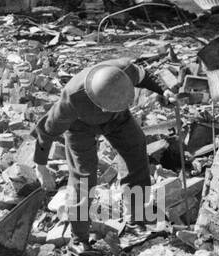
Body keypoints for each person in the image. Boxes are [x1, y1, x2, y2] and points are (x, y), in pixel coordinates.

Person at [32, 59, 173, 242]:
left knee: (136, 151)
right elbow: (45, 130)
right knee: (84, 177)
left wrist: (165, 90)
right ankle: (79, 239)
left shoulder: (125, 71)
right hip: (80, 126)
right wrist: (41, 166)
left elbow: (146, 76)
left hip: (118, 117)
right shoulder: (72, 99)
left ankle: (135, 223)